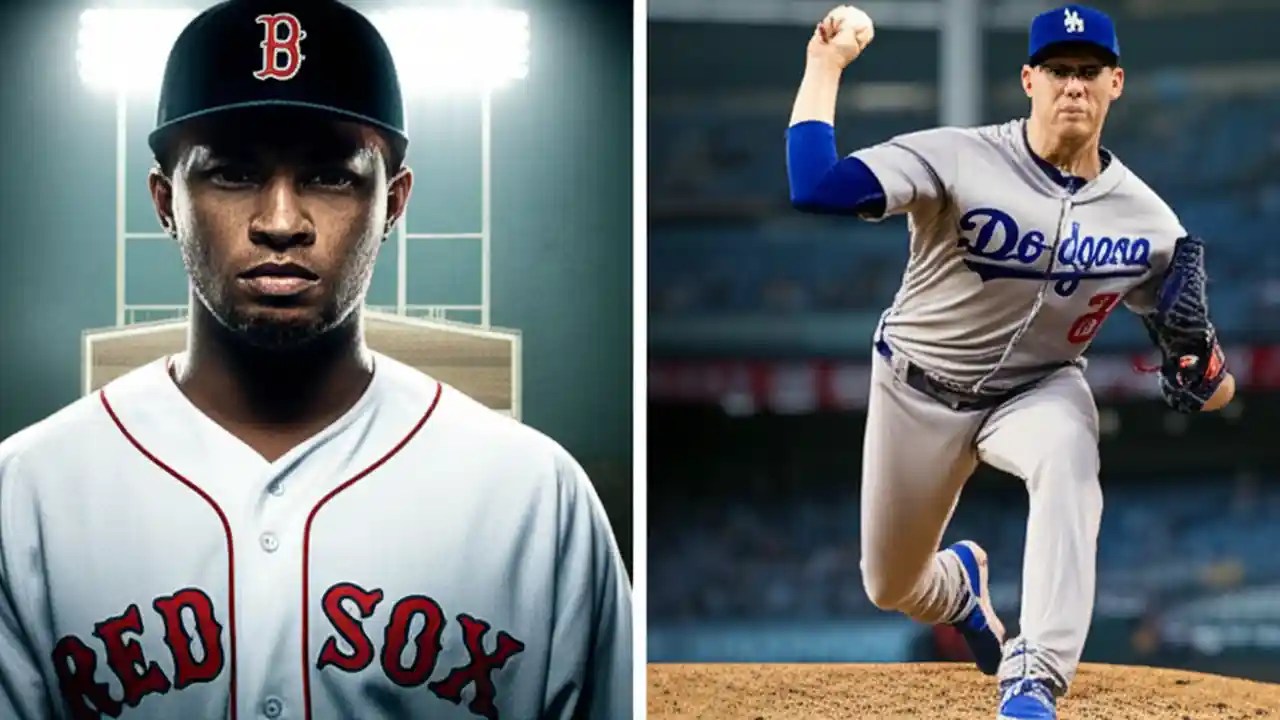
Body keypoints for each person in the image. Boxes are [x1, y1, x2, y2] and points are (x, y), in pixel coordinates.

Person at [0, 1, 631, 718]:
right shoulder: (26, 499)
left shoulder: (534, 500)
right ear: (164, 201)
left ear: (392, 203)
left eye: (330, 177)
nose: (279, 222)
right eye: (232, 173)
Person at [786, 4, 1232, 719]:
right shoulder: (959, 156)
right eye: (1058, 69)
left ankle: (1035, 677)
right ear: (1029, 79)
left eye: (1090, 72)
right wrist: (825, 66)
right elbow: (816, 186)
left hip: (1037, 391)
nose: (1074, 85)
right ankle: (960, 586)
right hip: (917, 388)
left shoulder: (1150, 222)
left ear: (1117, 83)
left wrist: (1201, 366)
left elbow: (1211, 388)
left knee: (1069, 452)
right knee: (890, 584)